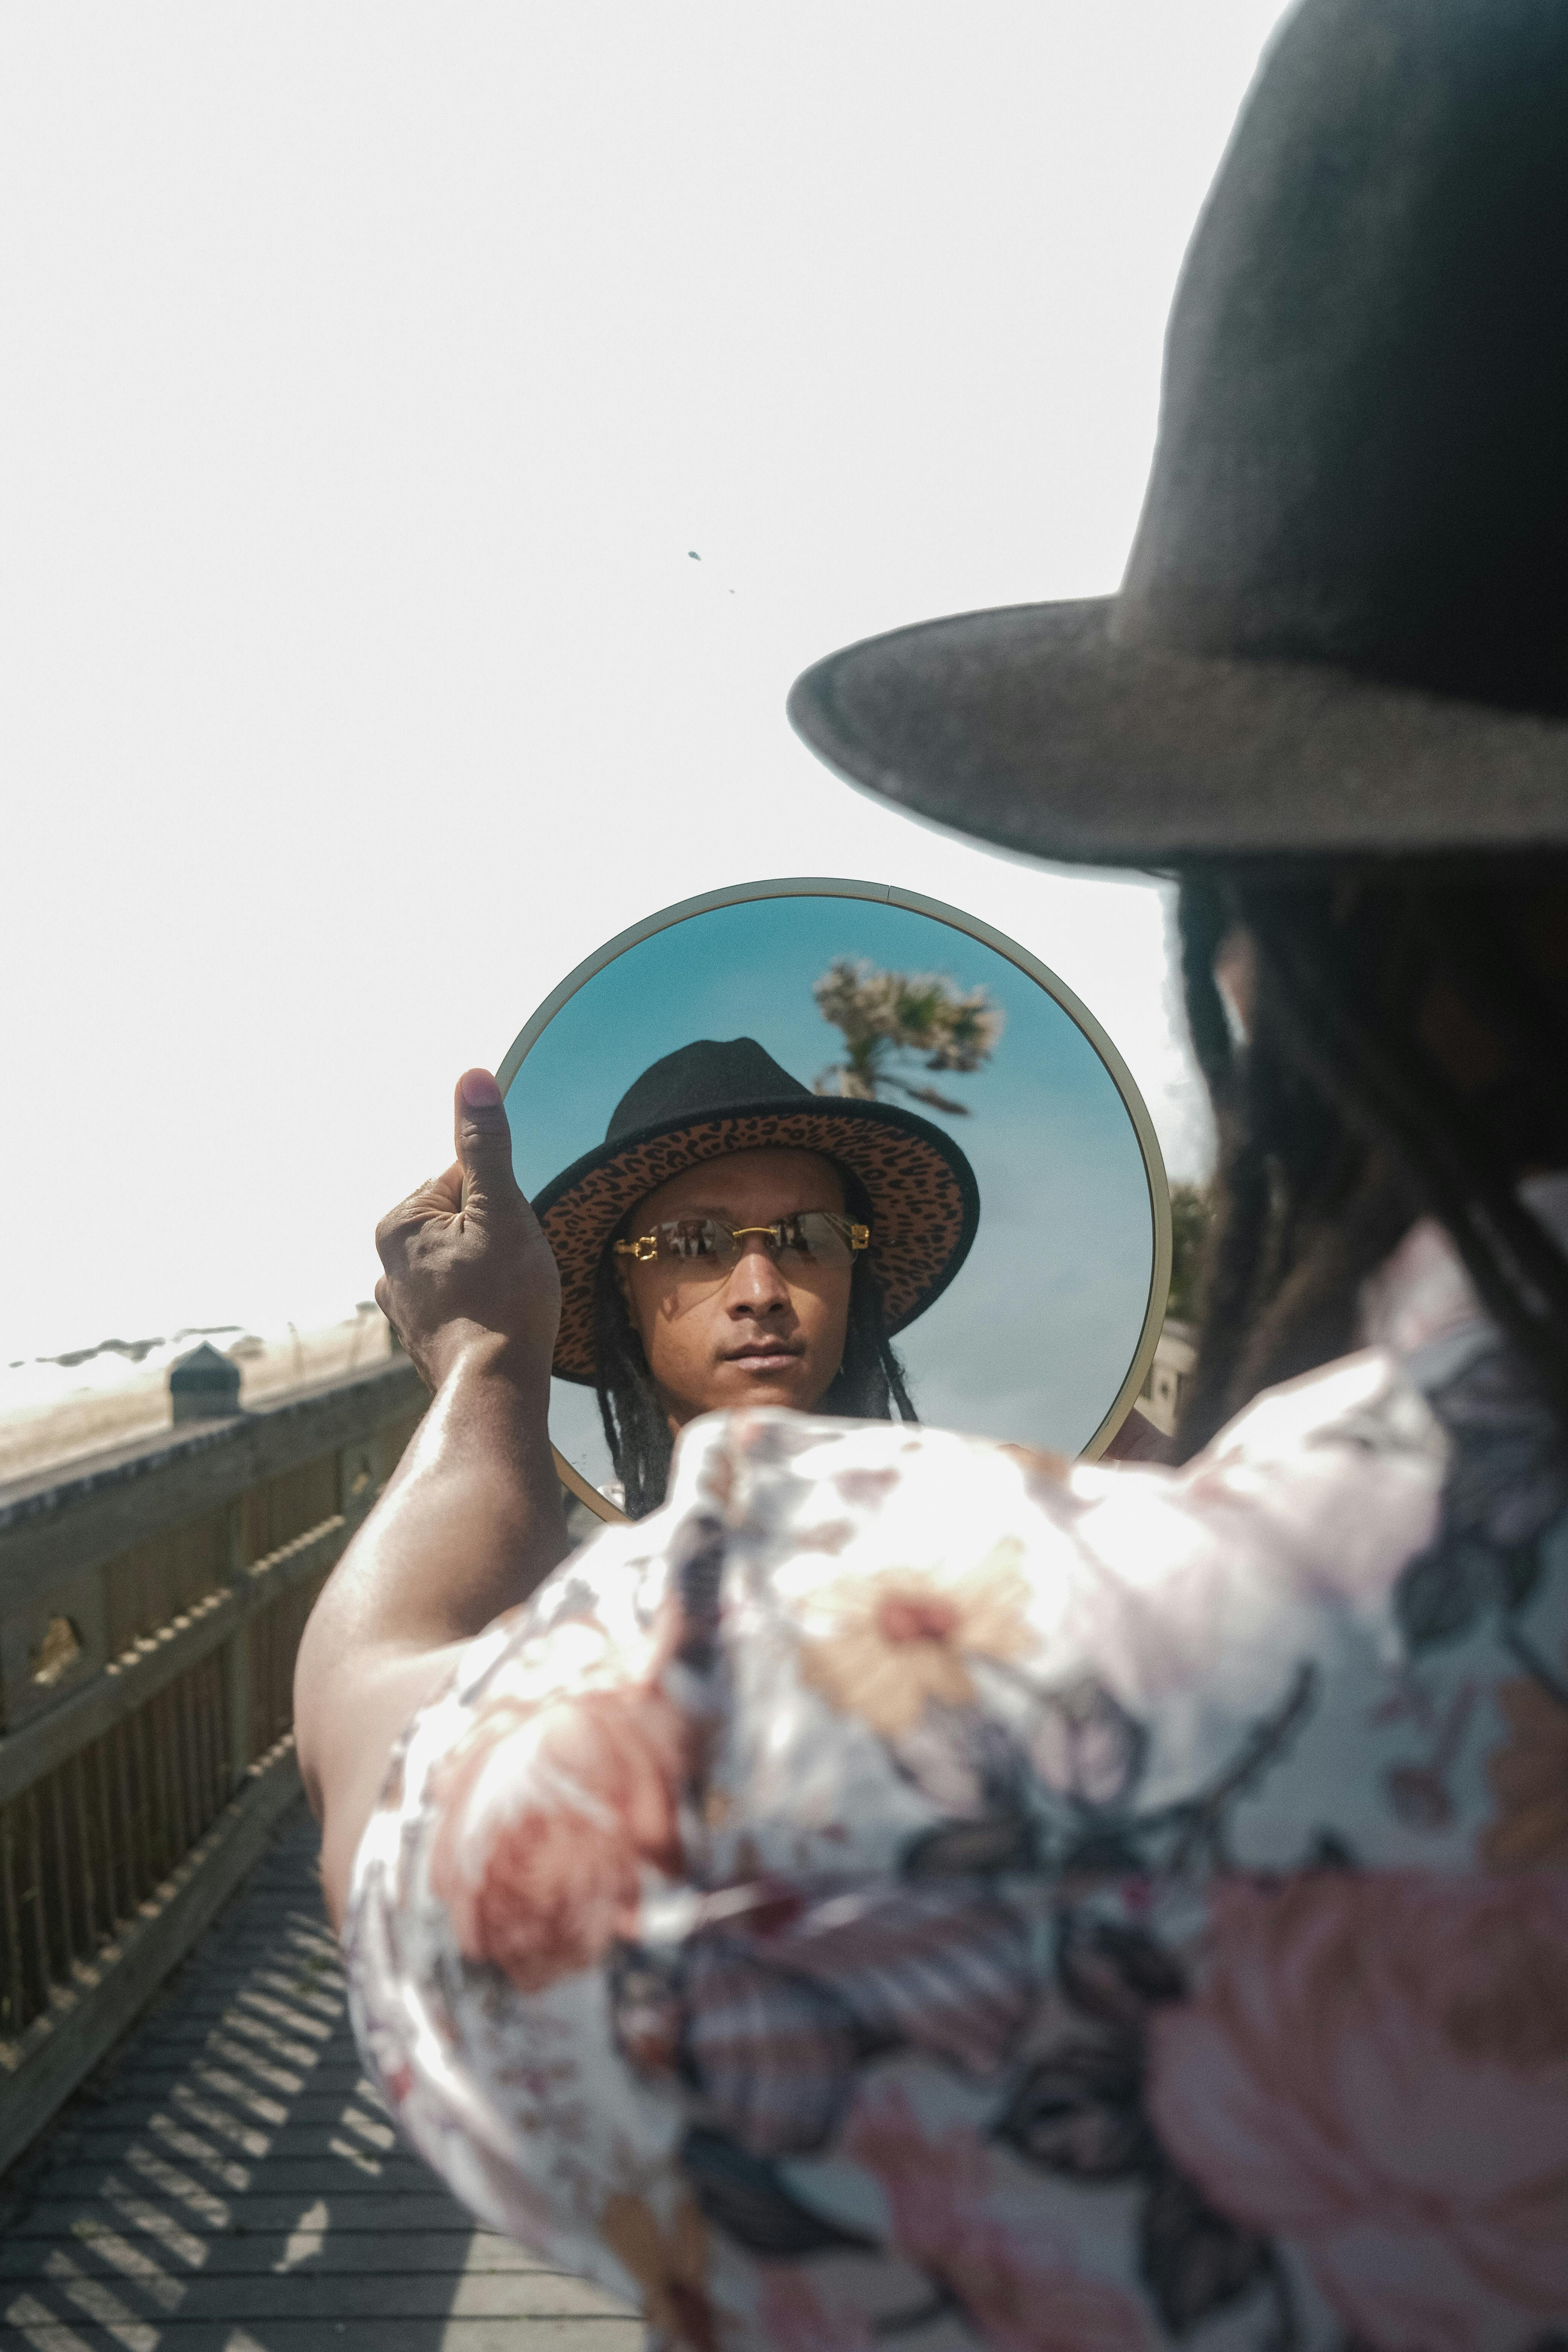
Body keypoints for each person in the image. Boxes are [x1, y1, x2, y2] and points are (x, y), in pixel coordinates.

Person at [296, 5, 1568, 2347]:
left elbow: (389, 1736)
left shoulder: (877, 1710)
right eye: (700, 1249)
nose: (761, 1286)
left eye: (797, 1239)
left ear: (1304, 922)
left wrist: (483, 1387)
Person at [530, 1035, 978, 1515]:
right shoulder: (563, 1566)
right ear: (626, 1289)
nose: (761, 1293)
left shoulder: (983, 1528)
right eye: (695, 1242)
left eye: (808, 1238)